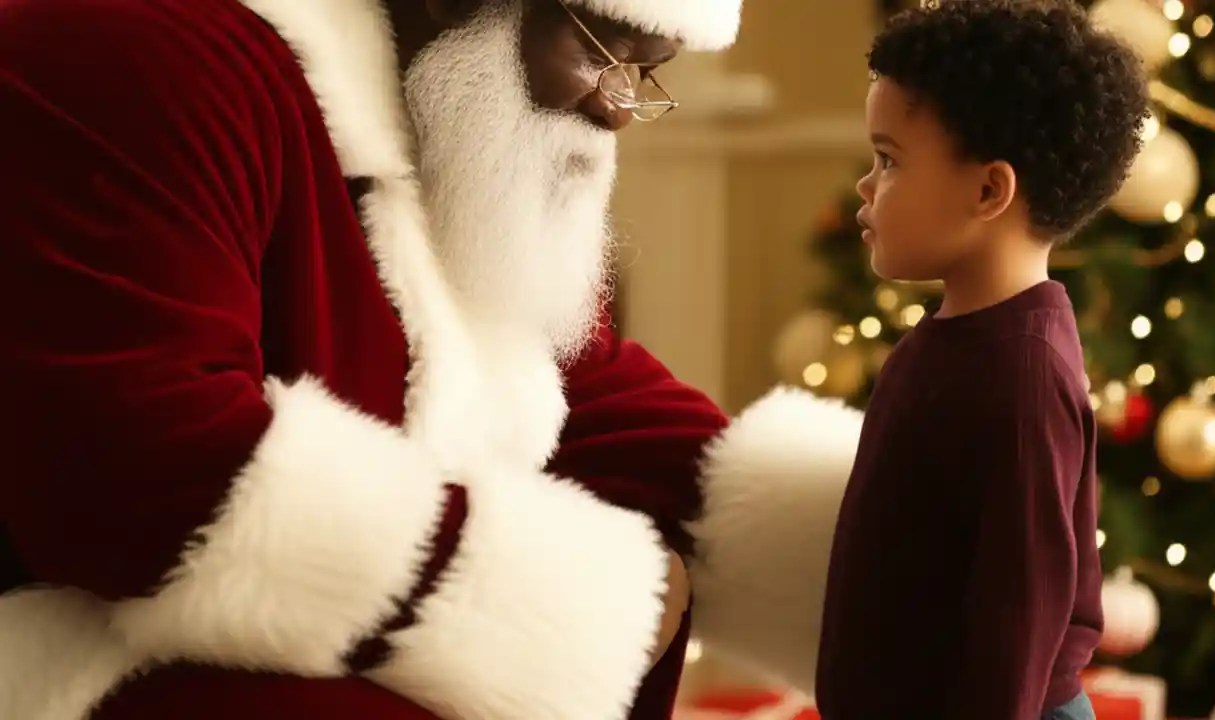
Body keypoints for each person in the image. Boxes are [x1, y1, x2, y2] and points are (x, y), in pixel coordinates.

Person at [0, 0, 869, 719]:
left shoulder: (442, 117)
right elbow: (130, 472)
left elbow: (582, 394)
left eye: (650, 70)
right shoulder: (138, 44)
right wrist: (582, 605)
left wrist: (885, 538)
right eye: (605, 48)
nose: (617, 106)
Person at [815, 1, 1149, 718]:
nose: (865, 187)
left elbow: (1015, 622)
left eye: (889, 160)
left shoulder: (1019, 381)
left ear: (989, 189)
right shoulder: (952, 340)